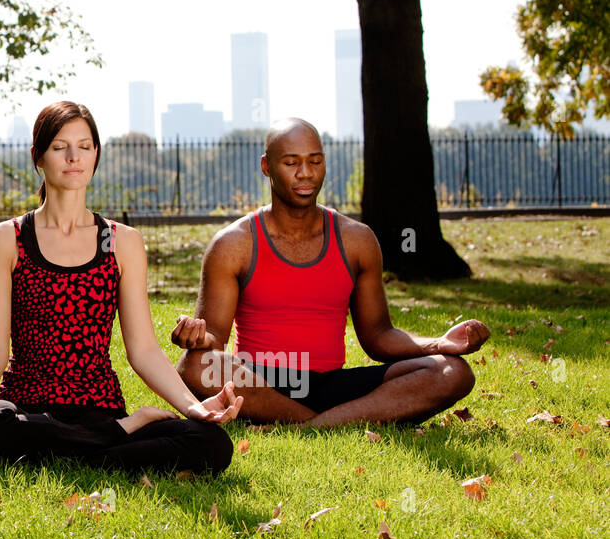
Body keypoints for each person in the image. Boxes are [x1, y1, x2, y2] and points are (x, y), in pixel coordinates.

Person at [0, 101, 241, 474]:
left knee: (213, 444)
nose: (74, 157)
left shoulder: (120, 242)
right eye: (59, 147)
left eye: (85, 146)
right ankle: (121, 438)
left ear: (96, 154)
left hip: (98, 408)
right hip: (26, 404)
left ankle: (76, 448)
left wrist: (191, 406)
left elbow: (144, 349)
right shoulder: (6, 239)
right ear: (38, 157)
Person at [173, 117, 488, 427]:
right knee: (196, 365)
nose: (306, 174)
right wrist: (195, 336)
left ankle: (313, 425)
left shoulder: (357, 240)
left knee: (453, 371)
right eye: (291, 163)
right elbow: (212, 343)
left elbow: (378, 336)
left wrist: (438, 345)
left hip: (333, 385)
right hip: (260, 381)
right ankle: (325, 422)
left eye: (315, 161)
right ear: (266, 167)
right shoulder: (233, 244)